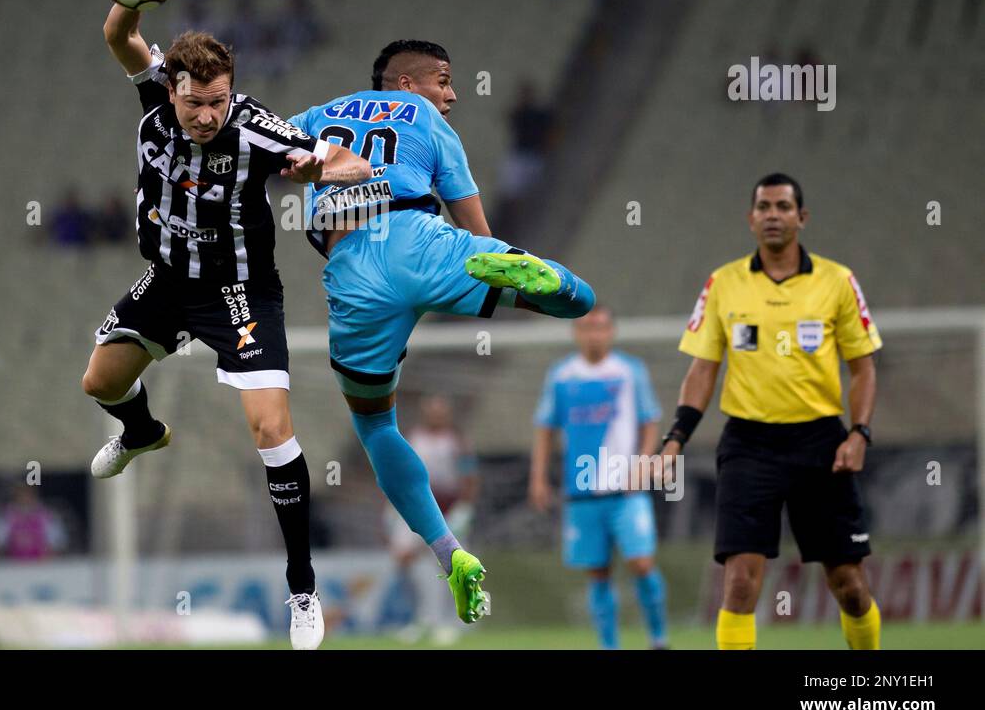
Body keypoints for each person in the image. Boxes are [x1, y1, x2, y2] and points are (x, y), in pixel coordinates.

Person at [84, 1, 371, 649]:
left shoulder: (257, 130)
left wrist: (318, 168)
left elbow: (353, 164)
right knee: (99, 383)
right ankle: (143, 432)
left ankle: (303, 591)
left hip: (238, 293)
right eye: (195, 104)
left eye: (218, 100)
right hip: (166, 282)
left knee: (270, 427)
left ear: (230, 91)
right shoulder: (155, 96)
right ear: (173, 91)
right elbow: (118, 35)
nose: (208, 115)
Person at [287, 39, 595, 625]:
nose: (451, 94)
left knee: (375, 427)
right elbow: (463, 200)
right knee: (578, 299)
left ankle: (449, 553)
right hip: (419, 239)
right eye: (443, 80)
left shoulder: (310, 117)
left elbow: (260, 156)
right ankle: (540, 275)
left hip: (350, 268)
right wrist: (493, 250)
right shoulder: (420, 115)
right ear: (405, 85)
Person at [661, 172, 882, 650]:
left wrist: (859, 433)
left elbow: (863, 369)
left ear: (801, 217)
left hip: (821, 444)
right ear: (751, 219)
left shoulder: (837, 281)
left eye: (783, 207)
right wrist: (676, 436)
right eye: (764, 207)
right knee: (739, 583)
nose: (773, 215)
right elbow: (703, 369)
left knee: (850, 586)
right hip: (748, 445)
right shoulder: (723, 284)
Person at [529, 306, 669, 649]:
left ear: (611, 331)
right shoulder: (561, 375)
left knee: (642, 562)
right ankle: (609, 645)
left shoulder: (630, 372)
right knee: (597, 571)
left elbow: (650, 420)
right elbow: (545, 429)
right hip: (582, 492)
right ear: (577, 334)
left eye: (601, 327)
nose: (595, 334)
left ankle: (658, 639)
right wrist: (538, 478)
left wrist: (645, 462)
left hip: (626, 490)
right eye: (588, 328)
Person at [384, 395, 477, 645]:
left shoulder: (458, 441)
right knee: (405, 558)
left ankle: (453, 621)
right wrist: (390, 508)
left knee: (451, 564)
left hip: (448, 507)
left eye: (441, 412)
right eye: (432, 411)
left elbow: (469, 477)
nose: (436, 416)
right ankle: (421, 618)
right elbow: (397, 471)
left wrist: (464, 508)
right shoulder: (412, 437)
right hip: (416, 504)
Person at [0, 483, 68, 560]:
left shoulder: (47, 516)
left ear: (34, 496)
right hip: (11, 566)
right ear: (16, 496)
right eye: (21, 495)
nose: (25, 498)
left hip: (41, 566)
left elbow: (58, 545)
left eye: (28, 495)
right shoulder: (5, 516)